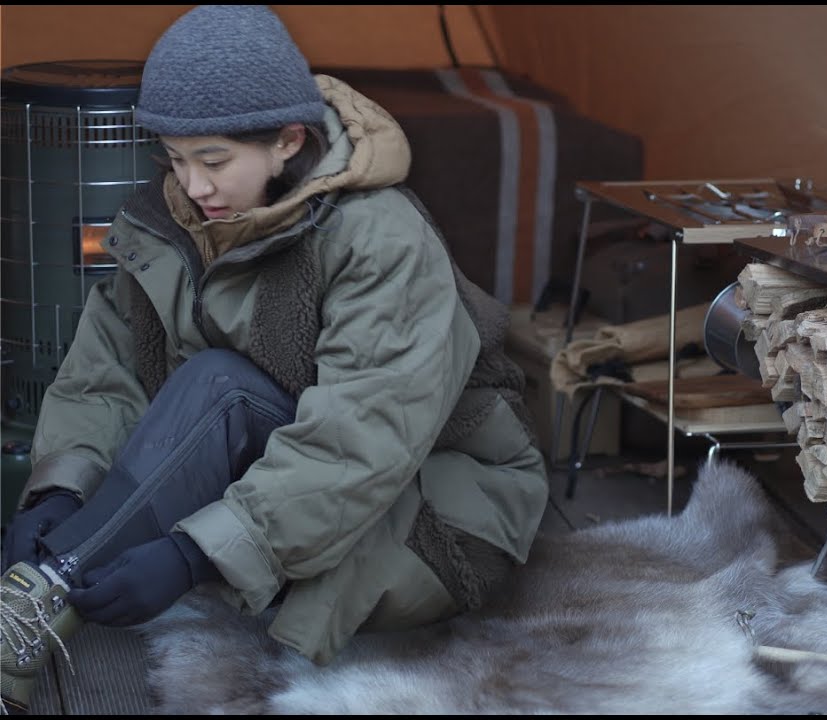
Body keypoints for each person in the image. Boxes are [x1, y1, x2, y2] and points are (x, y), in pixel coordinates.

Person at [0, 5, 548, 713]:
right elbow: (109, 370)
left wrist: (196, 555)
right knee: (204, 391)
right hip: (290, 487)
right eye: (174, 157)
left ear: (289, 141)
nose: (193, 186)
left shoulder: (379, 238)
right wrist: (60, 489)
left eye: (214, 160)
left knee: (219, 386)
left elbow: (362, 438)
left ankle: (35, 603)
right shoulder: (176, 221)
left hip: (435, 509)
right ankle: (46, 580)